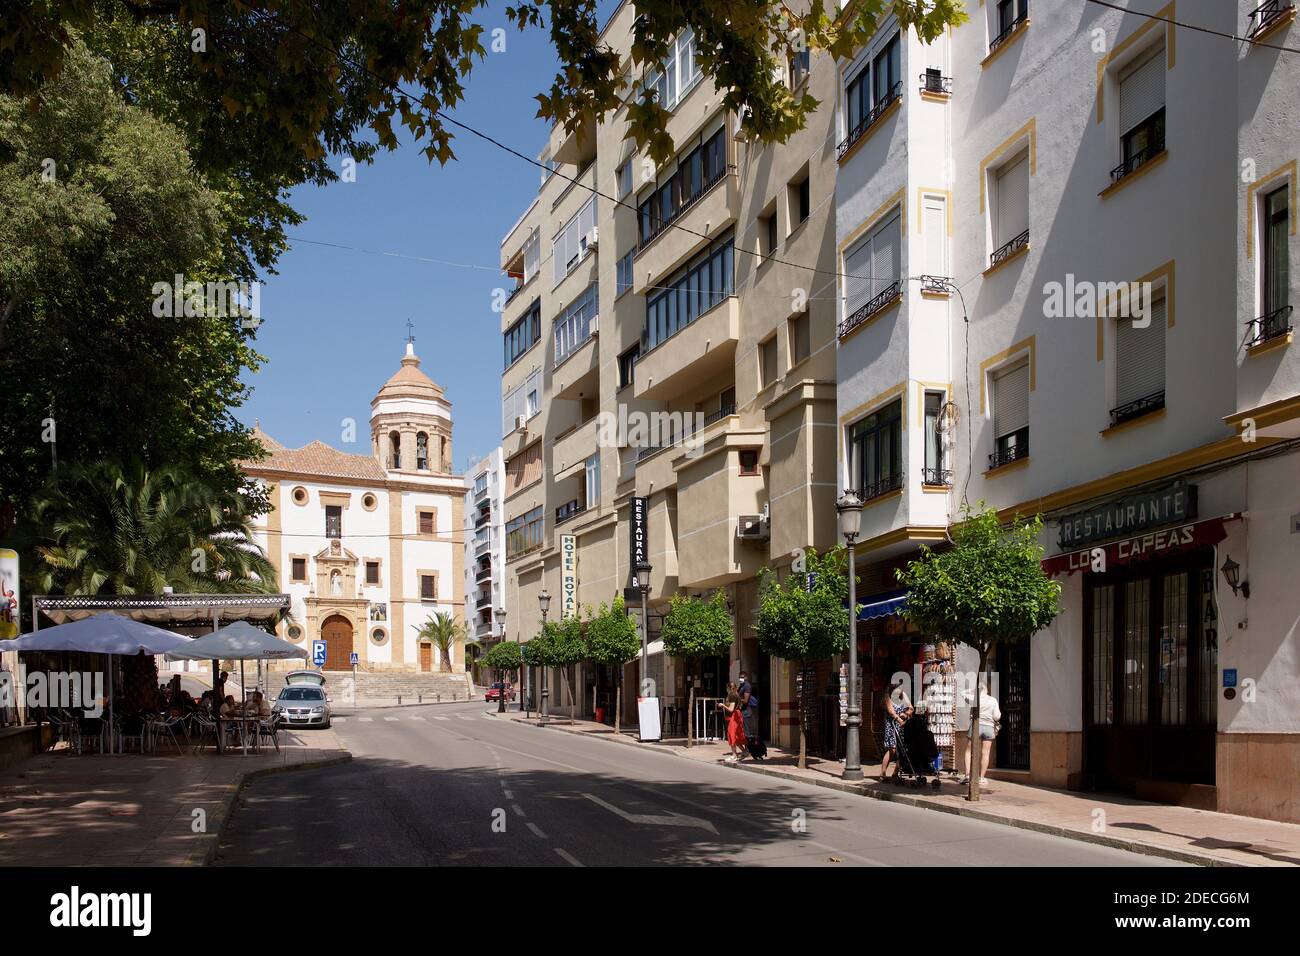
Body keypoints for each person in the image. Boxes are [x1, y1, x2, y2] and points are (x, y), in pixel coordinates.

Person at [962, 682, 1001, 786]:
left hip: (976, 725)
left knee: (968, 751)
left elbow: (962, 694)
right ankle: (982, 778)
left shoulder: (974, 699)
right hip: (989, 727)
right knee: (986, 753)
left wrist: (971, 690)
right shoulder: (993, 700)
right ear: (986, 690)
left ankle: (967, 776)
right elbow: (997, 716)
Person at [880, 676, 914, 781]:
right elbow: (892, 712)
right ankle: (883, 773)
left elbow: (911, 708)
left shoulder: (903, 695)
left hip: (902, 726)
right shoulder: (888, 697)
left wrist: (906, 714)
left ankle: (896, 772)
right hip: (892, 726)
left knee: (903, 749)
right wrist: (900, 720)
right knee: (892, 750)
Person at [717, 682, 748, 763]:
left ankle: (734, 755)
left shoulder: (732, 695)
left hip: (734, 717)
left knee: (732, 735)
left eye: (727, 688)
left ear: (729, 688)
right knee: (736, 736)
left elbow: (731, 709)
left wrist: (722, 705)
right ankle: (744, 751)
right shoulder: (735, 694)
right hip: (735, 716)